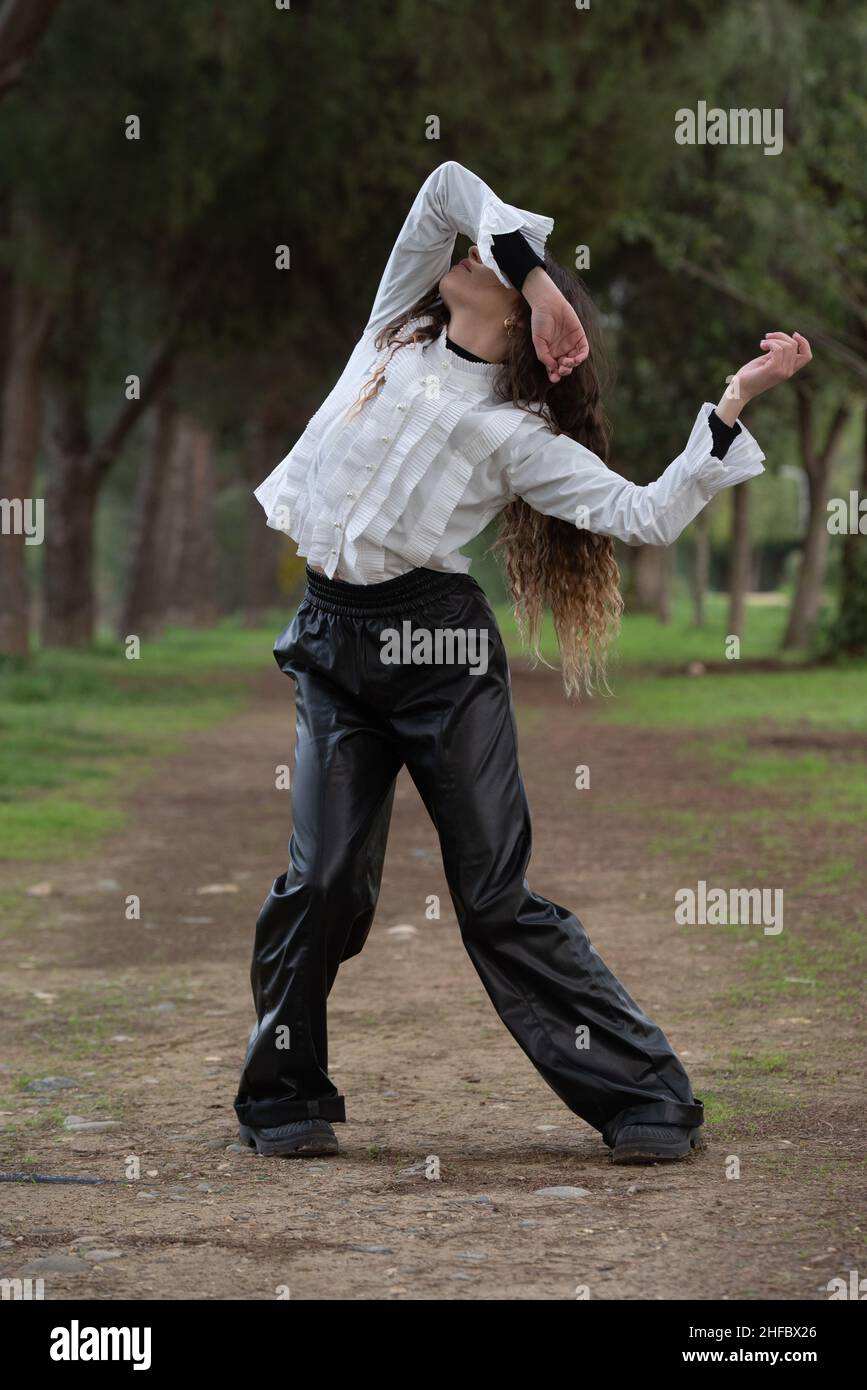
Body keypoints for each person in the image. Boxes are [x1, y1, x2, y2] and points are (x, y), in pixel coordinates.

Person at [233, 161, 812, 1164]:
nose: (474, 255)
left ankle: (646, 1095)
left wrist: (734, 400)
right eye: (496, 256)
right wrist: (537, 277)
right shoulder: (391, 328)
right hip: (331, 643)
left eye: (496, 267)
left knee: (495, 899)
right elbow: (444, 189)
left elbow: (642, 514)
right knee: (319, 882)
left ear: (516, 328)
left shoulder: (518, 434)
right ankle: (282, 1092)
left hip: (440, 657)